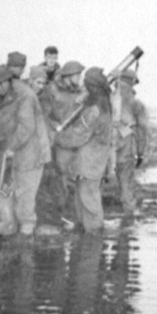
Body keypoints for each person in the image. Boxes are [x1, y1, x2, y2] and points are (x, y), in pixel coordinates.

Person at [0, 64, 51, 236]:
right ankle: (16, 230)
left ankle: (26, 234)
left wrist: (11, 147)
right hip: (21, 149)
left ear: (5, 82)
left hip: (32, 151)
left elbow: (26, 127)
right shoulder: (9, 93)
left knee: (25, 195)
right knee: (17, 190)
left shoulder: (24, 95)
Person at [54, 67, 113, 230]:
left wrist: (57, 137)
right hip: (92, 159)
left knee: (89, 198)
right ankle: (84, 227)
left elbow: (79, 135)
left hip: (89, 161)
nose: (84, 86)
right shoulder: (103, 104)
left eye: (87, 84)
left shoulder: (94, 110)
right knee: (82, 196)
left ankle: (94, 233)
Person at [47, 60, 85, 216]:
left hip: (77, 139)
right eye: (78, 75)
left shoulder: (82, 92)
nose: (80, 78)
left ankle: (77, 207)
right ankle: (61, 208)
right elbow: (45, 114)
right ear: (69, 76)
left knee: (77, 174)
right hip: (61, 139)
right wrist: (53, 130)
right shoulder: (53, 90)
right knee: (61, 173)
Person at [112, 69, 148, 218]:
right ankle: (128, 213)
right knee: (126, 178)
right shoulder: (136, 103)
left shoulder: (108, 96)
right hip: (125, 143)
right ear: (132, 83)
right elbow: (142, 130)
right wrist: (140, 153)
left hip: (104, 142)